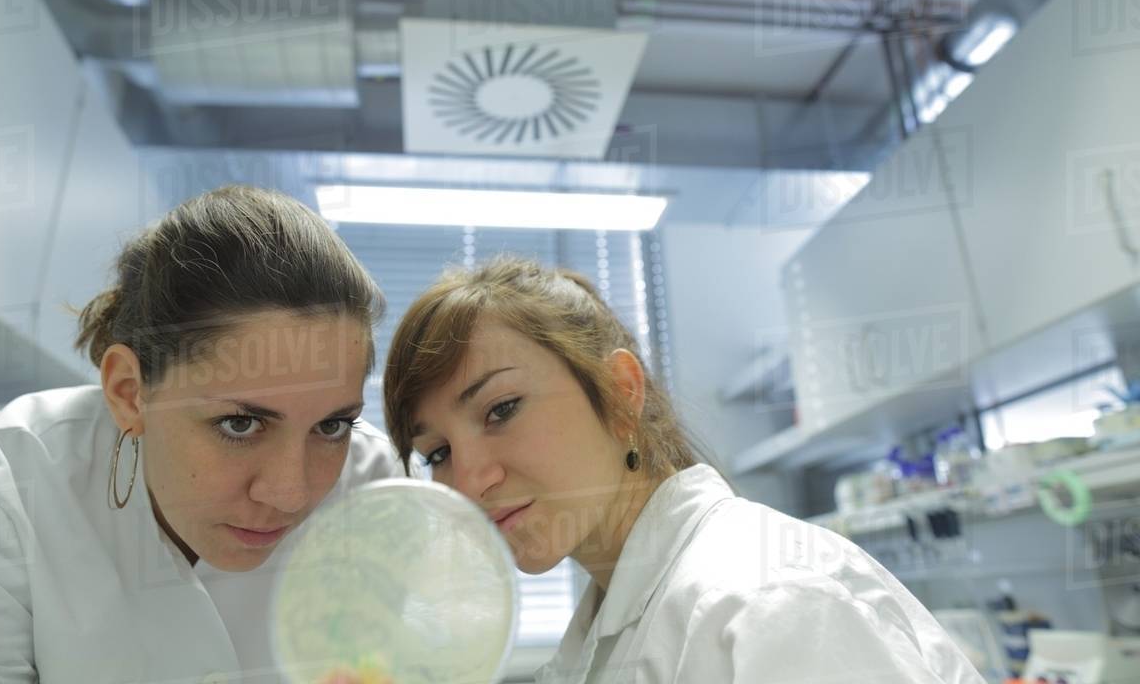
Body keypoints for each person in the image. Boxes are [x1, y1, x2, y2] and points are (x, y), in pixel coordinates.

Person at [382, 257, 985, 683]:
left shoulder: (765, 601)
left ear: (620, 396)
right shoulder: (612, 625)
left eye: (501, 410)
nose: (467, 482)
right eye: (437, 454)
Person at [0, 186, 402, 683]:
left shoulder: (374, 493)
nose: (290, 493)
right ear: (129, 392)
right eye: (240, 424)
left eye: (331, 426)